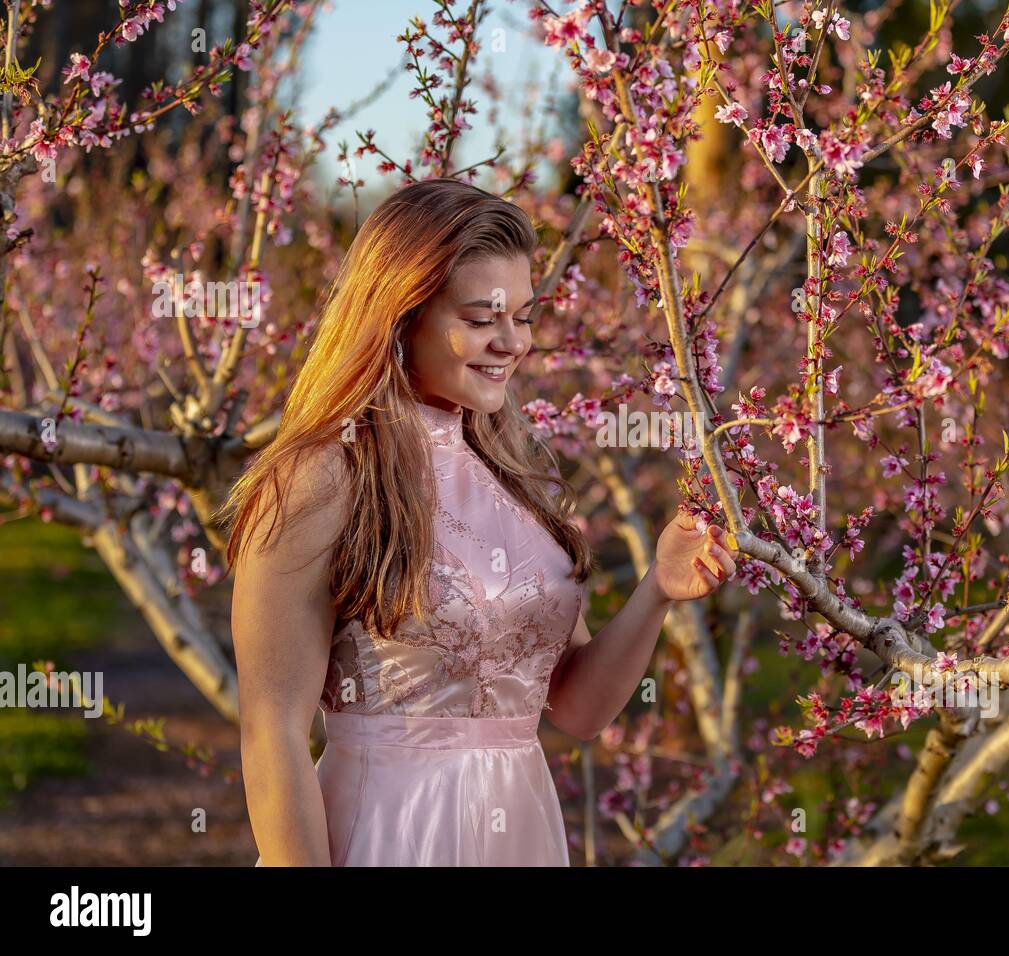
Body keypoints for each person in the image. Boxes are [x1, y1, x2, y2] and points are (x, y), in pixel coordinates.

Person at [221, 178, 737, 866]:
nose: (512, 342)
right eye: (482, 317)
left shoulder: (517, 480)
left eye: (523, 316)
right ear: (400, 315)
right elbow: (273, 731)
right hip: (387, 836)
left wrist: (657, 592)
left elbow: (577, 710)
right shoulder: (321, 478)